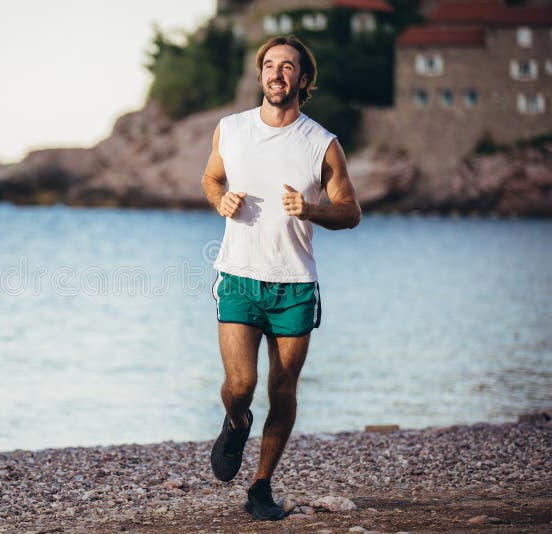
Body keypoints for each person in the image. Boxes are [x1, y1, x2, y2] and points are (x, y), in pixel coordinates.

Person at [201, 35, 361, 521]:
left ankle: (261, 485)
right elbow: (211, 178)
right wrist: (220, 200)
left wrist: (311, 209)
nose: (276, 73)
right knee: (240, 385)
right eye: (269, 65)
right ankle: (236, 423)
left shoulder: (322, 143)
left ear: (303, 78)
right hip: (238, 276)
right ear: (260, 75)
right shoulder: (231, 129)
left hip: (294, 284)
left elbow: (350, 211)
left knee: (283, 389)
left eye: (287, 66)